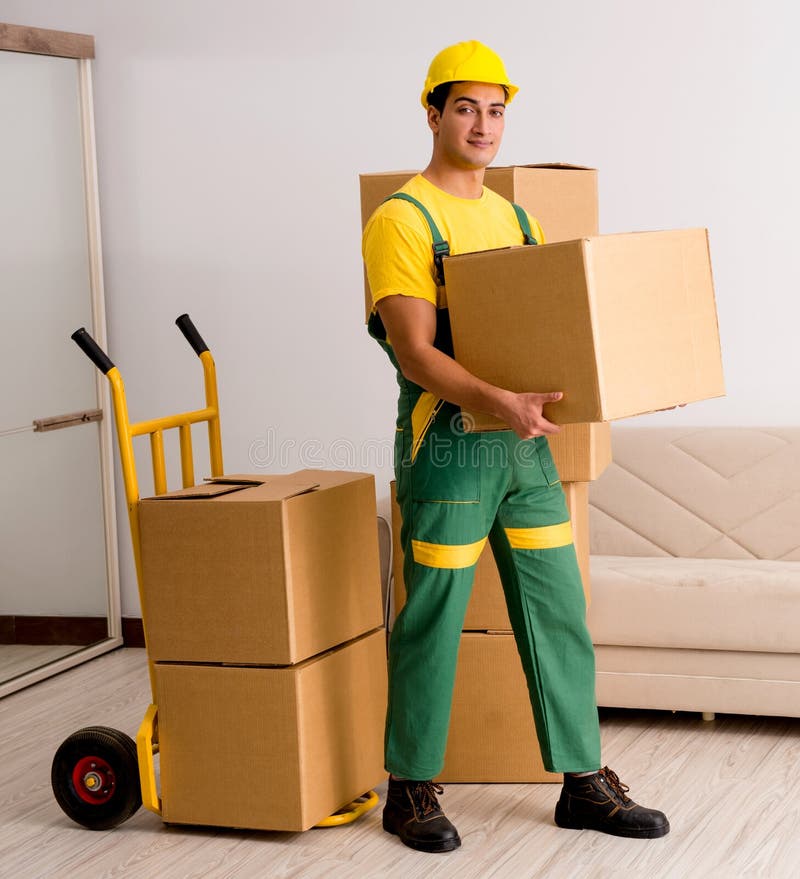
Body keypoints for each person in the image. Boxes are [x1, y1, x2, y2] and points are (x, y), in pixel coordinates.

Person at [362, 40, 670, 854]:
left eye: (496, 110)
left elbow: (541, 329)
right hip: (452, 444)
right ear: (432, 113)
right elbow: (415, 351)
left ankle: (582, 780)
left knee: (557, 607)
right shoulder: (402, 218)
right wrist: (496, 401)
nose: (482, 125)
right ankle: (411, 788)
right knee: (434, 614)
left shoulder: (516, 217)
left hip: (524, 449)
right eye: (466, 107)